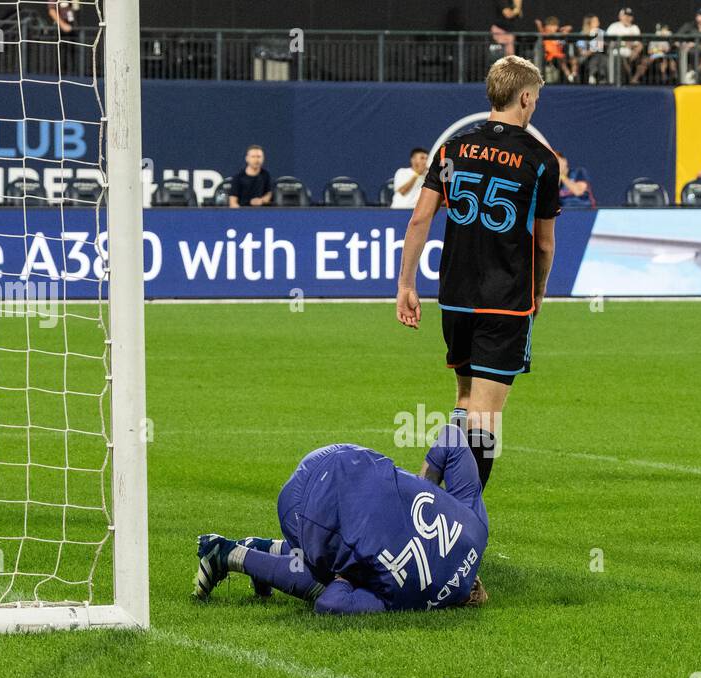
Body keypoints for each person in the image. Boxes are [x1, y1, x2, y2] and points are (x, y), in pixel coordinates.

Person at [395, 55, 560, 493]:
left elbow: (419, 221)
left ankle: (427, 487)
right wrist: (539, 291)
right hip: (506, 299)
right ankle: (456, 527)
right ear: (525, 97)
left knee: (465, 402)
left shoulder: (452, 149)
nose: (535, 105)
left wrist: (406, 284)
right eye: (536, 98)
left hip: (455, 295)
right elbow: (544, 243)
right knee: (486, 418)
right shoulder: (540, 161)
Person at [192, 425, 487, 613]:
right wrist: (348, 578)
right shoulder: (412, 600)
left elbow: (451, 436)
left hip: (338, 456)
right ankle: (230, 555)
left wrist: (423, 488)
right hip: (300, 510)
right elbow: (330, 604)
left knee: (346, 554)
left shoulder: (477, 529)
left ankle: (262, 547)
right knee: (333, 572)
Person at [604, 8, 642, 84]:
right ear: (620, 16)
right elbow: (607, 42)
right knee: (620, 58)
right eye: (625, 16)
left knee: (643, 62)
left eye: (629, 16)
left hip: (631, 55)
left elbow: (638, 45)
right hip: (616, 54)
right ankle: (629, 78)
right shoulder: (614, 26)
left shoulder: (635, 28)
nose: (627, 18)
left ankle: (632, 79)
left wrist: (635, 52)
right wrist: (624, 43)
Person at [572, 15, 608, 84]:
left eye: (598, 21)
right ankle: (598, 76)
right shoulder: (583, 33)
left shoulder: (601, 32)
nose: (598, 23)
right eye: (595, 21)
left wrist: (603, 44)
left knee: (598, 56)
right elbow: (581, 50)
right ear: (589, 23)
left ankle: (593, 76)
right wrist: (589, 52)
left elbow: (605, 45)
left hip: (600, 55)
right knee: (596, 56)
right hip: (586, 56)